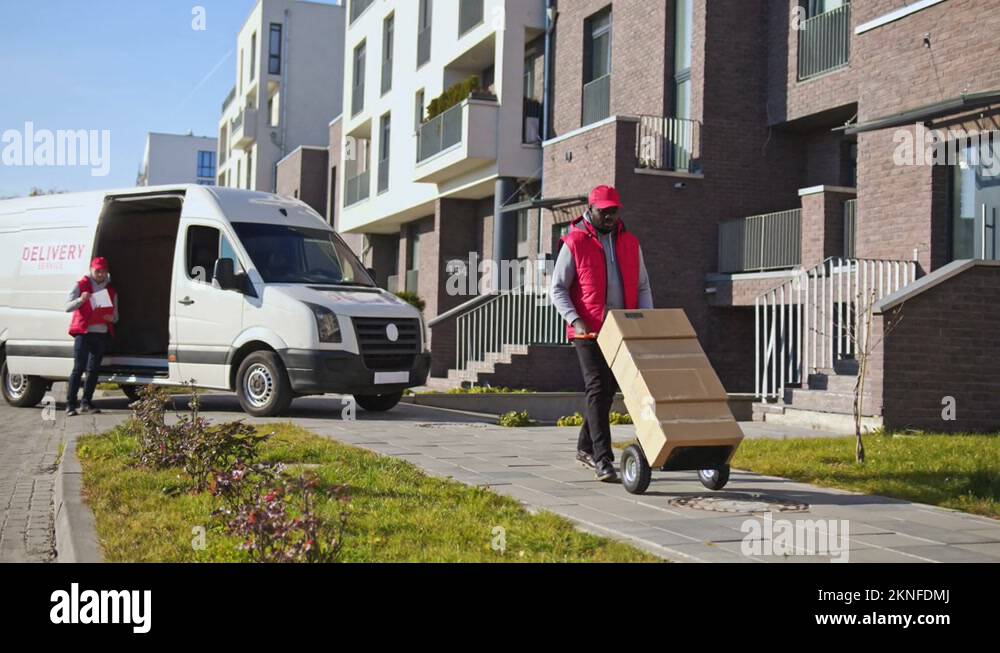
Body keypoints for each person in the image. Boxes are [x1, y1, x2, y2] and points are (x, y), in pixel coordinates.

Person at [549, 186, 654, 482]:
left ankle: (585, 446)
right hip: (588, 332)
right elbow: (557, 289)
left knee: (608, 392)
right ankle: (603, 459)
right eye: (604, 210)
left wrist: (646, 320)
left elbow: (643, 286)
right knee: (597, 388)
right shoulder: (574, 242)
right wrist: (575, 319)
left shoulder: (631, 243)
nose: (609, 215)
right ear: (590, 209)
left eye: (614, 210)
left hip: (623, 329)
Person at [65, 256, 118, 416]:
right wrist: (81, 299)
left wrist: (112, 319)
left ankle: (86, 402)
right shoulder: (81, 285)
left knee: (93, 370)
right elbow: (67, 306)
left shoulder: (111, 290)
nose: (101, 274)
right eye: (98, 271)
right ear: (91, 269)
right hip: (83, 332)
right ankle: (70, 404)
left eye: (104, 271)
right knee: (78, 368)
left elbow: (116, 315)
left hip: (100, 333)